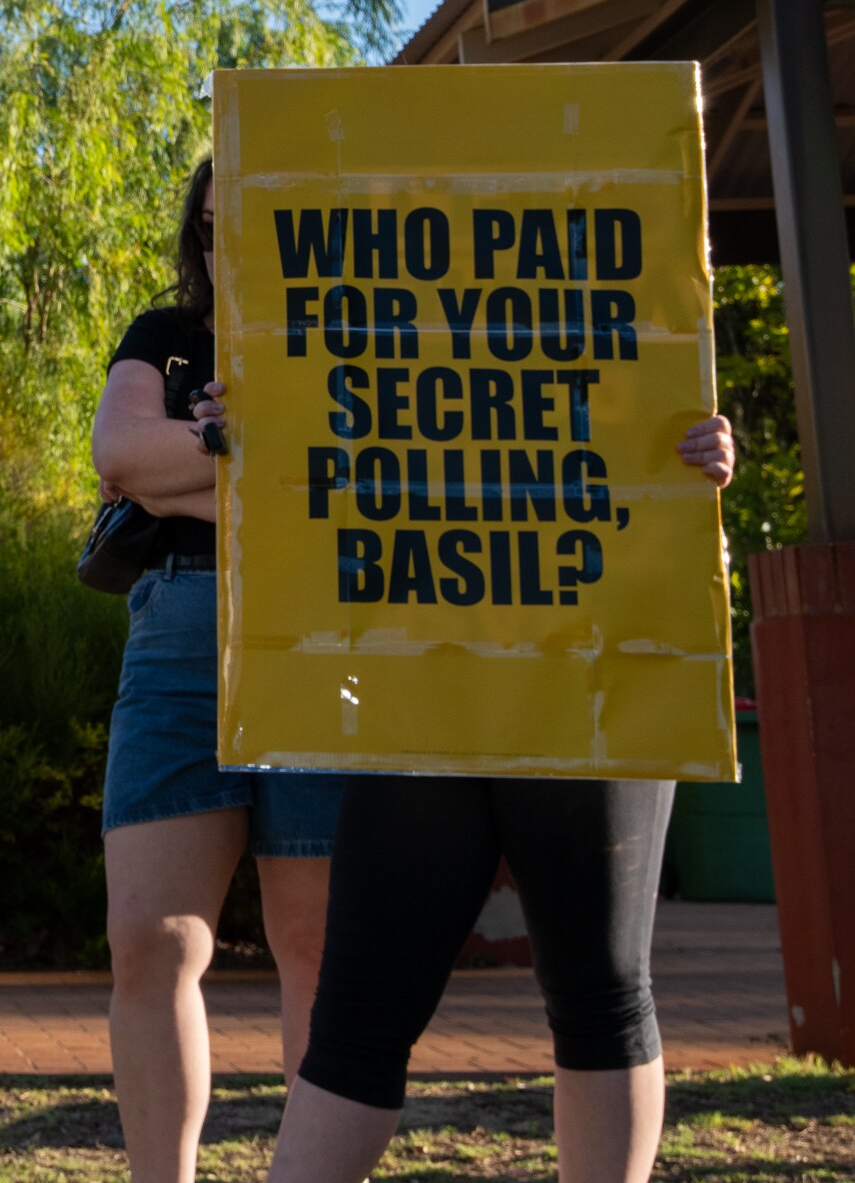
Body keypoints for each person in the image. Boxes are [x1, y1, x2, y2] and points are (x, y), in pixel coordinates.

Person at [252, 379, 739, 1183]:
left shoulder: (627, 285)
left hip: (588, 653)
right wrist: (242, 426)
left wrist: (695, 460)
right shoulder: (357, 299)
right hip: (429, 670)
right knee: (361, 1017)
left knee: (599, 995)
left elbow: (659, 396)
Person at [88, 156, 340, 1183]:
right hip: (182, 628)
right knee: (150, 939)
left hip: (321, 628)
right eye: (208, 221)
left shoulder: (355, 332)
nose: (223, 238)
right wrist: (245, 447)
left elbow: (360, 481)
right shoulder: (166, 336)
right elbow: (123, 457)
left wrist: (194, 471)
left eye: (251, 218)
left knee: (319, 943)